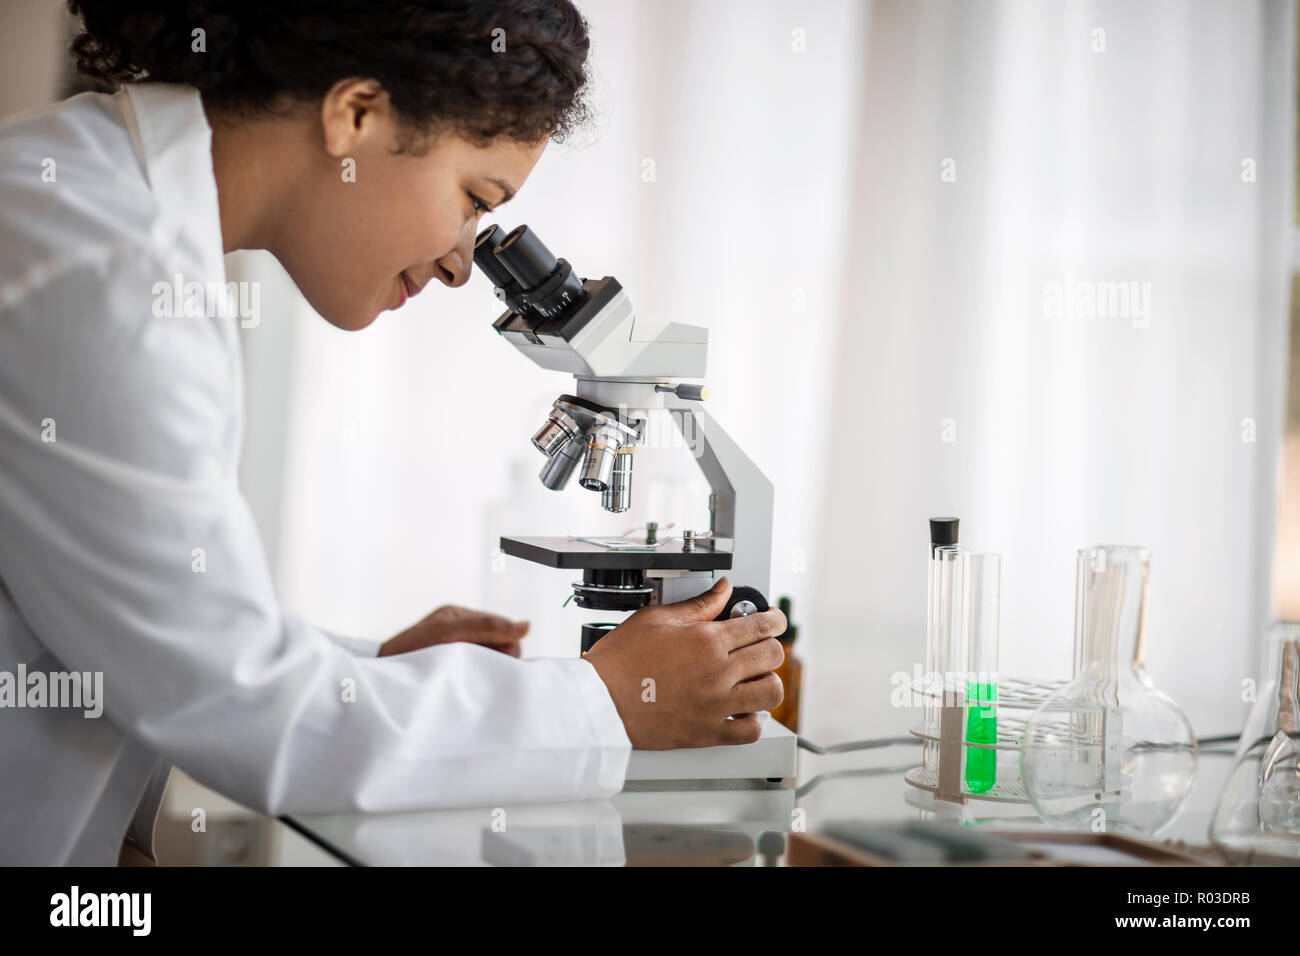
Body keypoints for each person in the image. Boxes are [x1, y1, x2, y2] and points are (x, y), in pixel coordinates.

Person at [0, 0, 786, 865]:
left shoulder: (89, 192)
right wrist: (603, 703)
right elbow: (247, 708)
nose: (460, 262)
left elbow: (152, 625)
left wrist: (372, 667)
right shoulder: (110, 278)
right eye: (471, 197)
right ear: (357, 114)